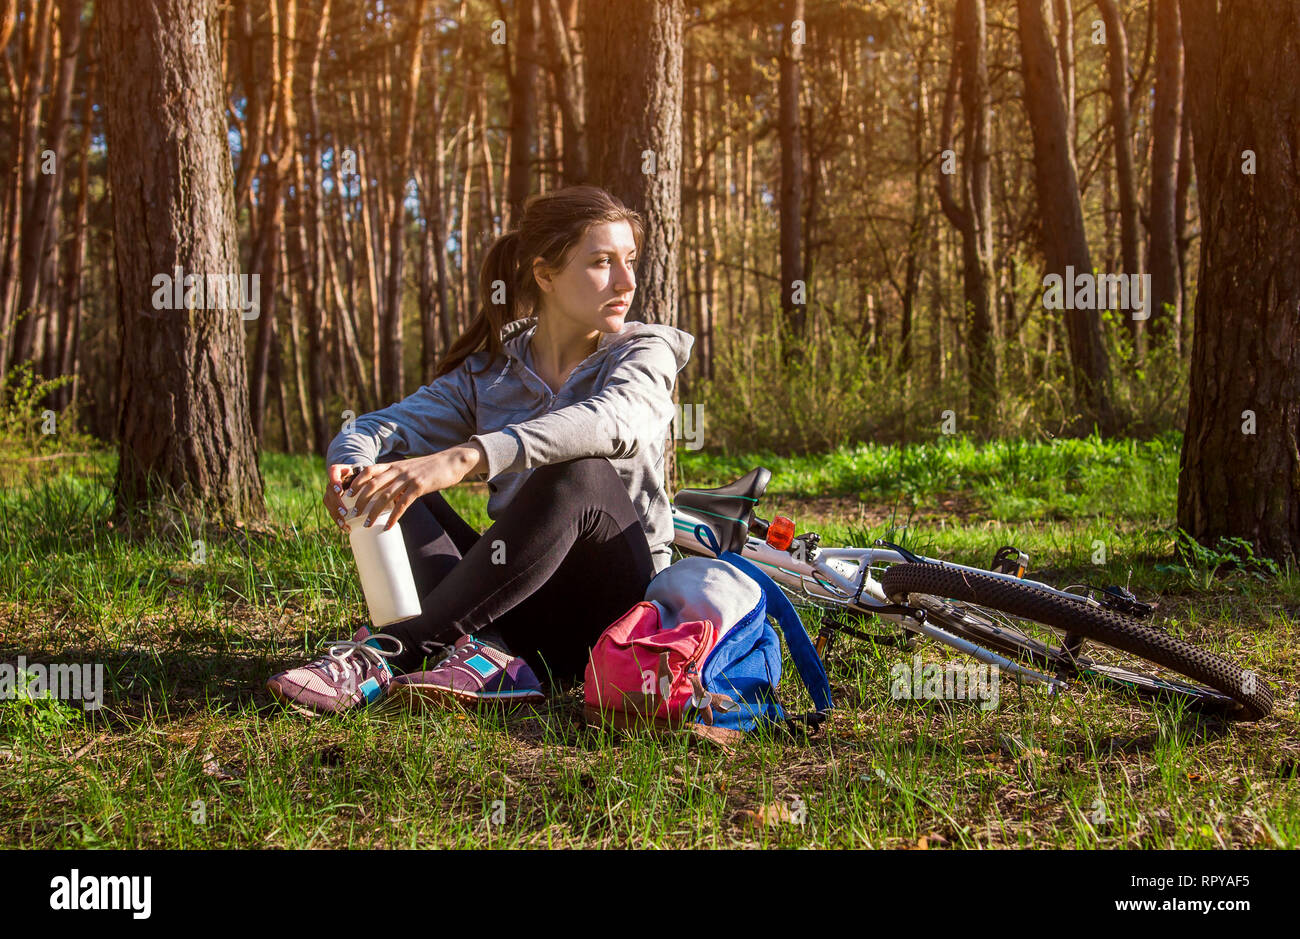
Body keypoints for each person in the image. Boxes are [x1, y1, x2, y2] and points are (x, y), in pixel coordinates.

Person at [266, 185, 694, 715]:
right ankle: (496, 659)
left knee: (577, 472)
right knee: (390, 478)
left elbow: (616, 420)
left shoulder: (643, 351)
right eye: (603, 262)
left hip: (611, 612)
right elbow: (384, 426)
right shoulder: (491, 372)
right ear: (545, 275)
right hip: (514, 597)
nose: (627, 281)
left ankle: (388, 655)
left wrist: (467, 456)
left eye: (629, 261)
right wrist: (351, 465)